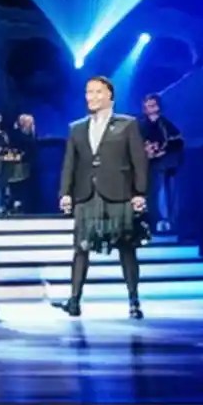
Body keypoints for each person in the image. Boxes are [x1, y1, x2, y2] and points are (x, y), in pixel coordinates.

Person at [58, 76, 148, 319]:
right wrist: (65, 193)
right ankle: (74, 300)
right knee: (81, 248)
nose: (92, 97)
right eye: (89, 92)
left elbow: (139, 161)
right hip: (87, 195)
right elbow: (69, 164)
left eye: (98, 92)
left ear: (110, 96)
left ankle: (133, 300)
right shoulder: (77, 128)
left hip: (118, 194)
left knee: (126, 247)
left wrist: (139, 193)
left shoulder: (127, 125)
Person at [139, 94, 184, 233]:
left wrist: (161, 151)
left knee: (162, 192)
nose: (149, 108)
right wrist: (146, 149)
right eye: (147, 105)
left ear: (158, 106)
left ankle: (163, 221)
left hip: (162, 166)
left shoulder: (166, 125)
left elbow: (177, 142)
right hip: (144, 165)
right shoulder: (139, 124)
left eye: (152, 105)